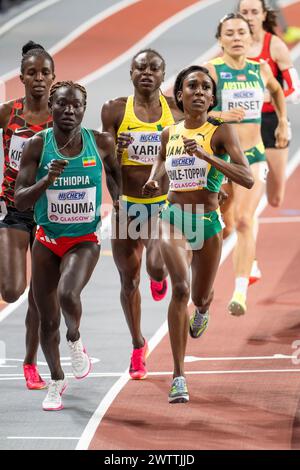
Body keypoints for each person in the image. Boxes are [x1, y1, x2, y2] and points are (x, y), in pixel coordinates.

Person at [143, 65, 254, 403]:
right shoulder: (170, 132)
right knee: (181, 288)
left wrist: (207, 156)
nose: (200, 91)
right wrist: (153, 177)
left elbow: (247, 178)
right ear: (180, 95)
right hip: (173, 217)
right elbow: (162, 159)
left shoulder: (221, 133)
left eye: (207, 87)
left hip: (207, 221)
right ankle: (179, 375)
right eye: (192, 86)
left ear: (211, 98)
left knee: (201, 296)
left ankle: (203, 309)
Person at [15, 81, 121, 411]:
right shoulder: (37, 145)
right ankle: (57, 380)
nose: (69, 110)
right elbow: (20, 201)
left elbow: (116, 175)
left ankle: (74, 339)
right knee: (47, 321)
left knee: (67, 295)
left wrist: (119, 202)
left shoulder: (100, 142)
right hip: (47, 241)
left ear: (83, 109)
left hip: (84, 240)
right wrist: (47, 180)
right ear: (51, 107)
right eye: (62, 104)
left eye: (75, 105)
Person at [101, 49, 183, 380]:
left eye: (154, 68)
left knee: (155, 265)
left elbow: (192, 144)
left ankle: (159, 276)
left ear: (164, 76)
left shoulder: (174, 111)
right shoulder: (114, 109)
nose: (146, 72)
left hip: (161, 202)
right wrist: (117, 192)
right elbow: (107, 163)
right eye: (140, 68)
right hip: (126, 204)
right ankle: (138, 345)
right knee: (129, 279)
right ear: (131, 74)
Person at [205, 13, 288, 316]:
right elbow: (192, 110)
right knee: (224, 225)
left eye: (242, 32)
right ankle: (234, 270)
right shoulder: (211, 72)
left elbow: (278, 91)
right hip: (221, 157)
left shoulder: (260, 68)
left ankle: (239, 290)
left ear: (251, 38)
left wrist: (283, 123)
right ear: (221, 39)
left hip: (253, 154)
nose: (237, 37)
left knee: (244, 220)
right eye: (230, 33)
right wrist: (219, 116)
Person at [0, 41, 55, 390]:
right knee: (12, 290)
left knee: (41, 293)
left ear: (53, 77)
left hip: (50, 212)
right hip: (14, 208)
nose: (38, 78)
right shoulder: (8, 113)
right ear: (21, 77)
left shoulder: (62, 115)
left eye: (44, 73)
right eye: (32, 73)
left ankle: (31, 361)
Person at [238, 0, 300, 208]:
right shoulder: (233, 47)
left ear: (264, 15)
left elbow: (295, 89)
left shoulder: (274, 45)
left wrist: (266, 97)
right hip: (243, 125)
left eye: (254, 12)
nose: (249, 16)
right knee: (246, 197)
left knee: (275, 199)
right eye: (244, 12)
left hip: (272, 122)